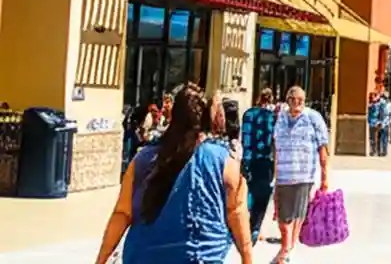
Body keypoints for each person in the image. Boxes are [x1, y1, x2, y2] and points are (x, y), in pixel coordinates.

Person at [93, 83, 252, 264]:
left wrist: (101, 259)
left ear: (172, 115)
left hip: (144, 257)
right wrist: (247, 258)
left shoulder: (143, 160)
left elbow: (122, 214)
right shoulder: (224, 162)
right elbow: (237, 214)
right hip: (200, 257)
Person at [272, 85, 331, 264]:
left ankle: (286, 249)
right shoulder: (280, 117)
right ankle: (287, 246)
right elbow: (275, 146)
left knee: (297, 214)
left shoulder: (313, 117)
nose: (296, 103)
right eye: (293, 99)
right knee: (282, 216)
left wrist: (325, 177)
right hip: (282, 174)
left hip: (304, 174)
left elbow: (323, 148)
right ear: (287, 100)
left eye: (300, 100)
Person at [240, 88, 277, 246]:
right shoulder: (273, 117)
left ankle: (244, 224)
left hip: (248, 158)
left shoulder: (248, 114)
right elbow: (274, 142)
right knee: (261, 196)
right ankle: (255, 228)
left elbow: (243, 136)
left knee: (247, 191)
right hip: (264, 159)